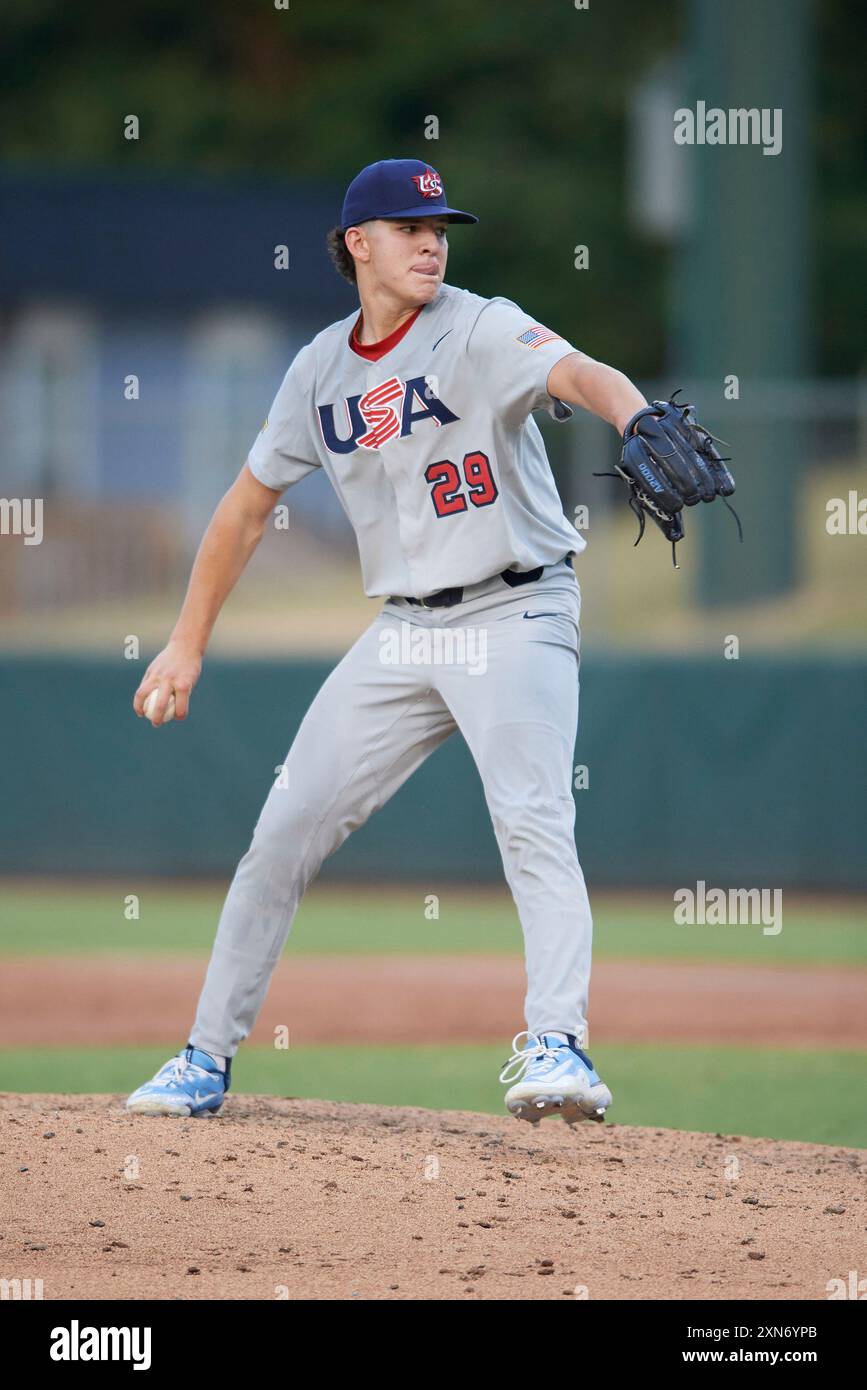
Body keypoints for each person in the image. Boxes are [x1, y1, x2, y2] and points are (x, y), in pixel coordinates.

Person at [127, 157, 649, 1126]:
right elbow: (245, 510)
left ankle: (558, 1046)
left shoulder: (483, 325)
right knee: (282, 831)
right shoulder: (320, 366)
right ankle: (203, 1056)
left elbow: (580, 371)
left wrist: (638, 414)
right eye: (411, 228)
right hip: (405, 630)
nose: (432, 242)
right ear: (357, 244)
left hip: (517, 609)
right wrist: (185, 642)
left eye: (441, 227)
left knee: (533, 816)